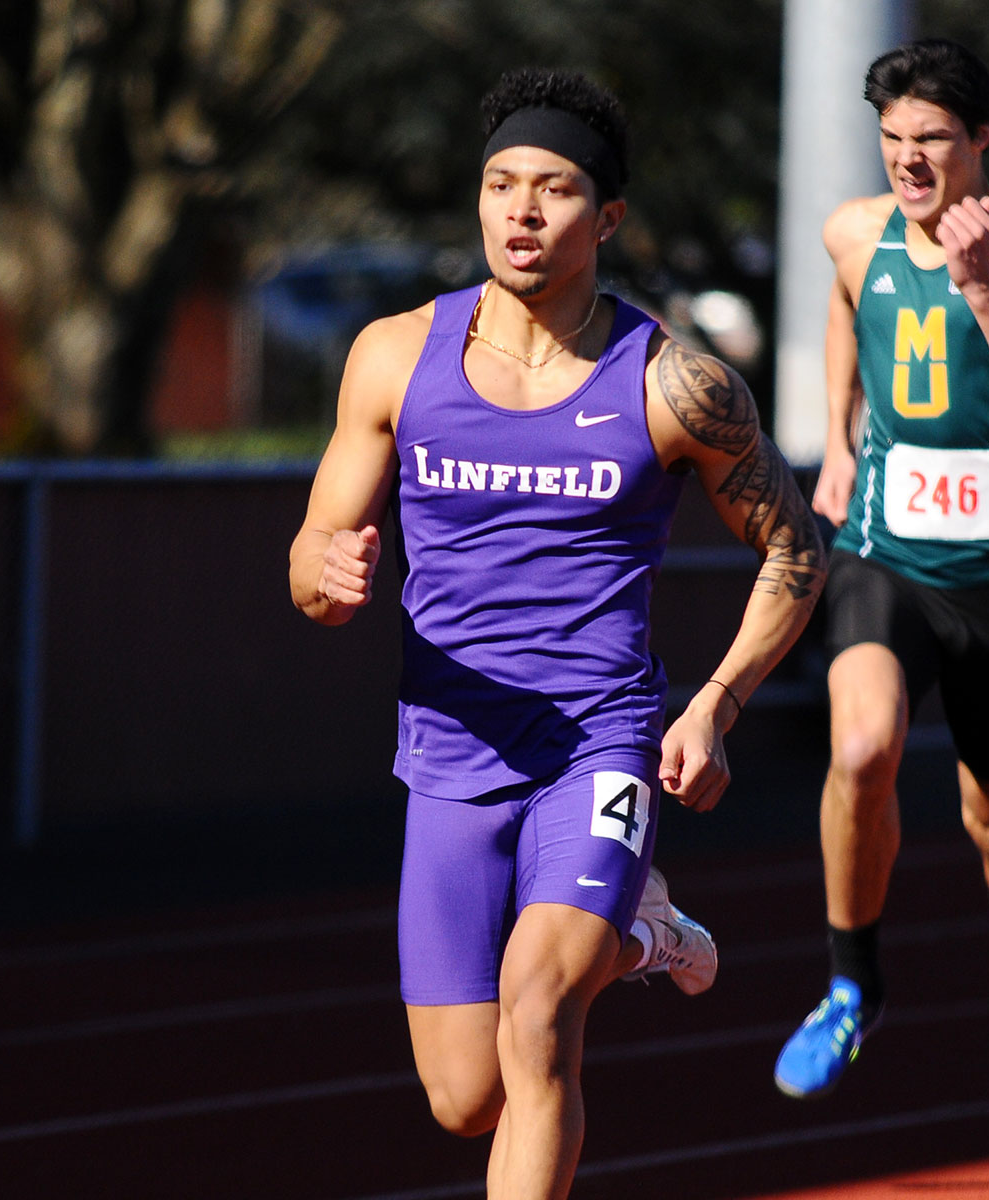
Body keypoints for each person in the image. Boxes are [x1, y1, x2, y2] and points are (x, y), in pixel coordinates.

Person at [289, 68, 824, 1200]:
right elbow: (311, 557)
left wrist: (715, 706)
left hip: (599, 745)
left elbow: (795, 550)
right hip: (450, 755)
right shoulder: (395, 356)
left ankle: (608, 918)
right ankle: (645, 929)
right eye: (501, 185)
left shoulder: (675, 384)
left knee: (538, 1019)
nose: (522, 211)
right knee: (463, 1097)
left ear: (609, 216)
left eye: (555, 188)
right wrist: (325, 577)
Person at [770, 39, 989, 1157]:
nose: (909, 160)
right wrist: (837, 436)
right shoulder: (853, 231)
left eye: (934, 140)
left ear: (981, 141)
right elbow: (843, 306)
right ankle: (851, 984)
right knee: (861, 749)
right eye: (893, 138)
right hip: (886, 555)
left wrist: (979, 287)